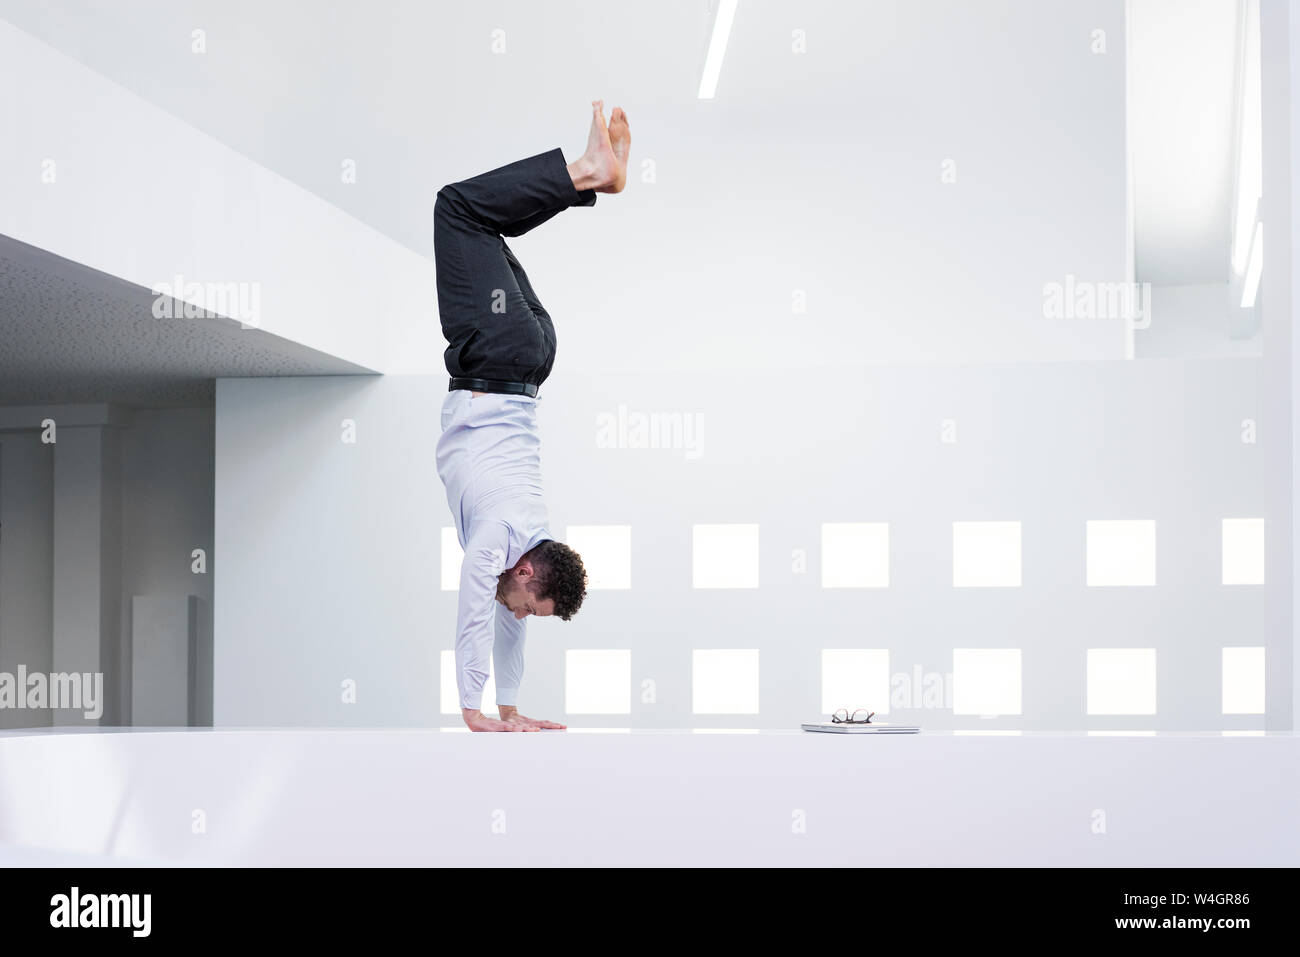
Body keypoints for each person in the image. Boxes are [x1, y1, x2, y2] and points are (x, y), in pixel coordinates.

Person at [434, 101, 631, 732]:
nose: (520, 616)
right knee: (457, 209)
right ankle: (585, 171)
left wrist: (511, 708)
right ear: (525, 571)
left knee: (483, 228)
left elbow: (502, 624)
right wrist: (470, 710)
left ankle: (590, 178)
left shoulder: (526, 536)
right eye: (531, 606)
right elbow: (473, 613)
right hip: (495, 359)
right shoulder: (497, 538)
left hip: (531, 354)